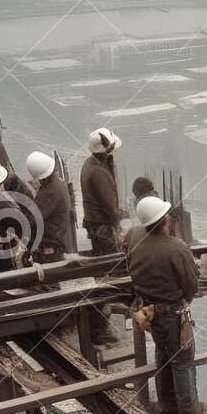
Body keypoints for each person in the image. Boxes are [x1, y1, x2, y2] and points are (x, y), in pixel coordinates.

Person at [126, 195, 203, 414]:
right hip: (173, 315)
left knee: (162, 356)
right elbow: (191, 285)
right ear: (164, 220)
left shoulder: (135, 238)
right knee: (182, 363)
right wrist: (183, 300)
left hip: (151, 312)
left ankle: (167, 411)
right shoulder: (175, 248)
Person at [81, 127, 124, 345]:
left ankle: (100, 322)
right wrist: (120, 223)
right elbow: (109, 207)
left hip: (97, 226)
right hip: (103, 229)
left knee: (104, 274)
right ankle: (100, 327)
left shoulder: (93, 164)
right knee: (108, 276)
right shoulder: (97, 172)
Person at [25, 151, 76, 263]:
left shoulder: (49, 192)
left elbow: (31, 219)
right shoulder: (59, 184)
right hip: (56, 242)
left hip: (49, 248)